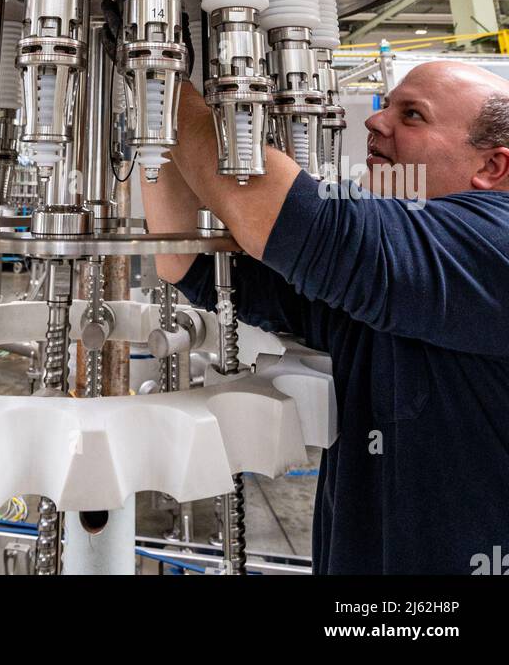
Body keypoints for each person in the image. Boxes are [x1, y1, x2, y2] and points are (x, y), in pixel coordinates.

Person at [142, 60, 509, 575]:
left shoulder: (497, 246)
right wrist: (151, 128)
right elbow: (183, 262)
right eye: (386, 106)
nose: (376, 122)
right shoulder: (394, 281)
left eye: (412, 116)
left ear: (491, 168)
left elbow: (290, 218)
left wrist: (157, 69)